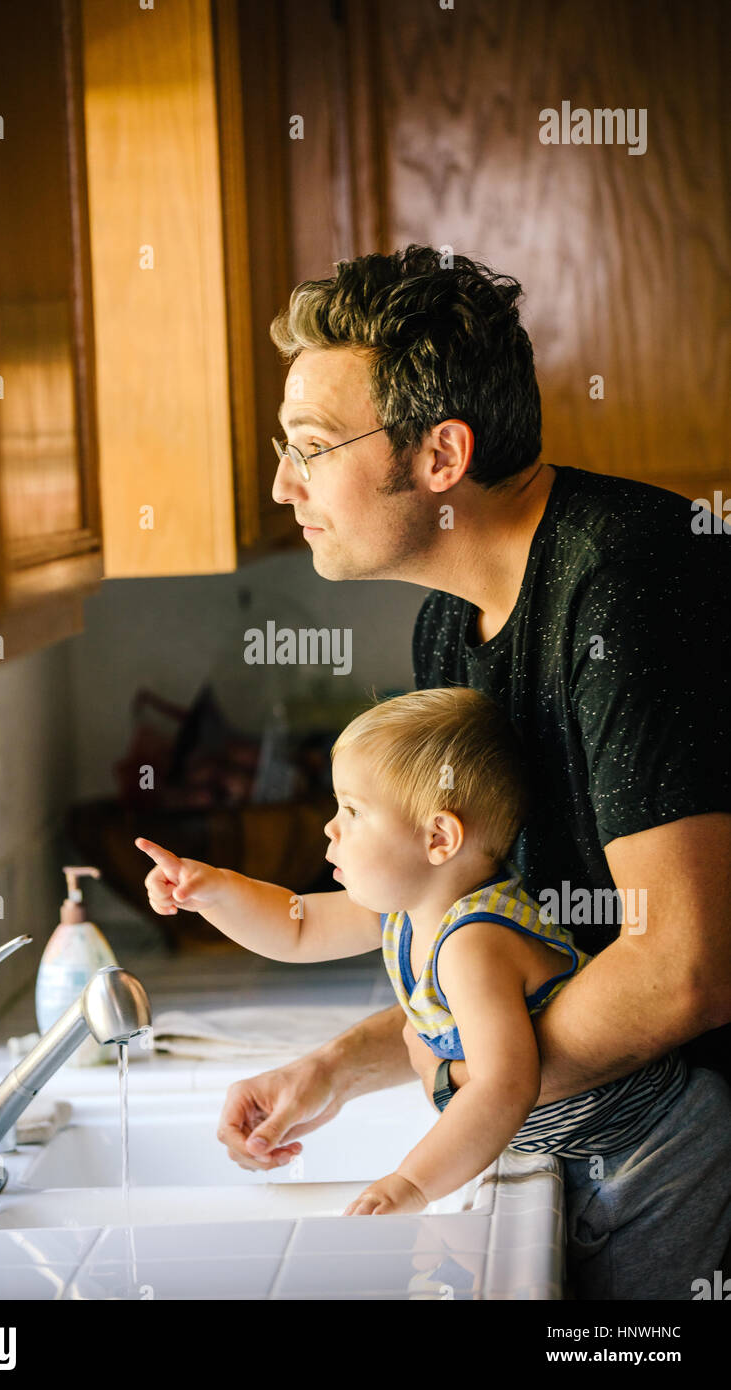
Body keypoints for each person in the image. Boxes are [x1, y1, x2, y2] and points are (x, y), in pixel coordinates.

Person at [184, 245, 731, 1298]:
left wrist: (465, 1081)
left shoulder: (625, 578)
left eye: (309, 446)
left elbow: (681, 968)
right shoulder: (447, 633)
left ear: (439, 454)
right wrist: (338, 1069)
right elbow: (493, 940)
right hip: (615, 1142)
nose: (281, 484)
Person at [136, 686, 693, 1223]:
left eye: (352, 810)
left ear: (438, 840)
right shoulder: (406, 911)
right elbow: (296, 927)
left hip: (655, 1150)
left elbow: (503, 1086)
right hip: (590, 1147)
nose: (330, 826)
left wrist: (412, 1183)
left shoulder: (474, 944)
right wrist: (211, 890)